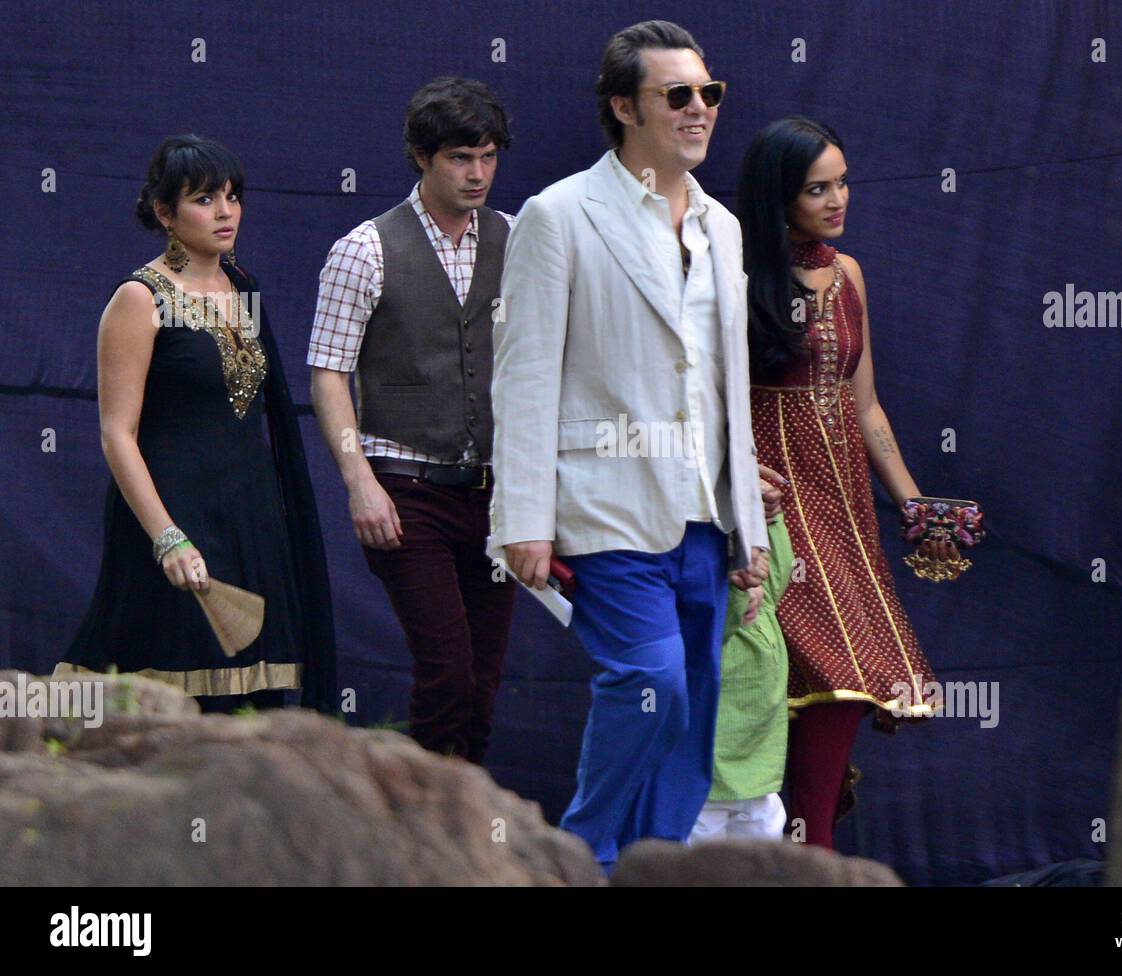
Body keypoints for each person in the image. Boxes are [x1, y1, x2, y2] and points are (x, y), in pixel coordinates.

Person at [488, 20, 769, 868]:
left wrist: (748, 524)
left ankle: (656, 866)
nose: (699, 110)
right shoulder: (560, 214)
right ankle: (582, 857)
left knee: (693, 709)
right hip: (605, 504)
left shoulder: (721, 225)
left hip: (703, 513)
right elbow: (526, 373)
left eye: (709, 93)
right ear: (623, 107)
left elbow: (726, 387)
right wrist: (524, 516)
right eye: (676, 95)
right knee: (652, 686)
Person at [59, 135, 336, 713]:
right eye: (205, 199)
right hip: (176, 522)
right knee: (172, 709)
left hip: (251, 523)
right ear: (164, 212)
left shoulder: (244, 288)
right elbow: (117, 433)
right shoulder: (140, 298)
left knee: (256, 709)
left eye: (233, 197)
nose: (225, 211)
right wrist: (167, 538)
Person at [736, 116, 952, 848]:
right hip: (768, 496)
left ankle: (808, 842)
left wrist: (914, 502)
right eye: (816, 189)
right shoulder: (729, 274)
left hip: (843, 502)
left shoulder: (849, 273)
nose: (838, 200)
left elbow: (865, 405)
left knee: (846, 679)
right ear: (776, 198)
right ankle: (804, 848)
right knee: (814, 669)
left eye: (842, 182)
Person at [308, 78, 516, 762]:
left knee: (483, 680)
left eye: (487, 156)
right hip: (406, 489)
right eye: (461, 157)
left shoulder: (515, 239)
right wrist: (358, 481)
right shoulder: (365, 249)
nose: (478, 172)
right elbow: (329, 373)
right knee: (448, 671)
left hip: (494, 493)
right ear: (422, 157)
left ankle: (461, 825)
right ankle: (423, 828)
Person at [689, 477, 794, 843]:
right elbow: (723, 618)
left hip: (759, 780)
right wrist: (738, 587)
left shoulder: (764, 604)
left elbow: (778, 570)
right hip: (705, 788)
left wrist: (772, 518)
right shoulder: (708, 617)